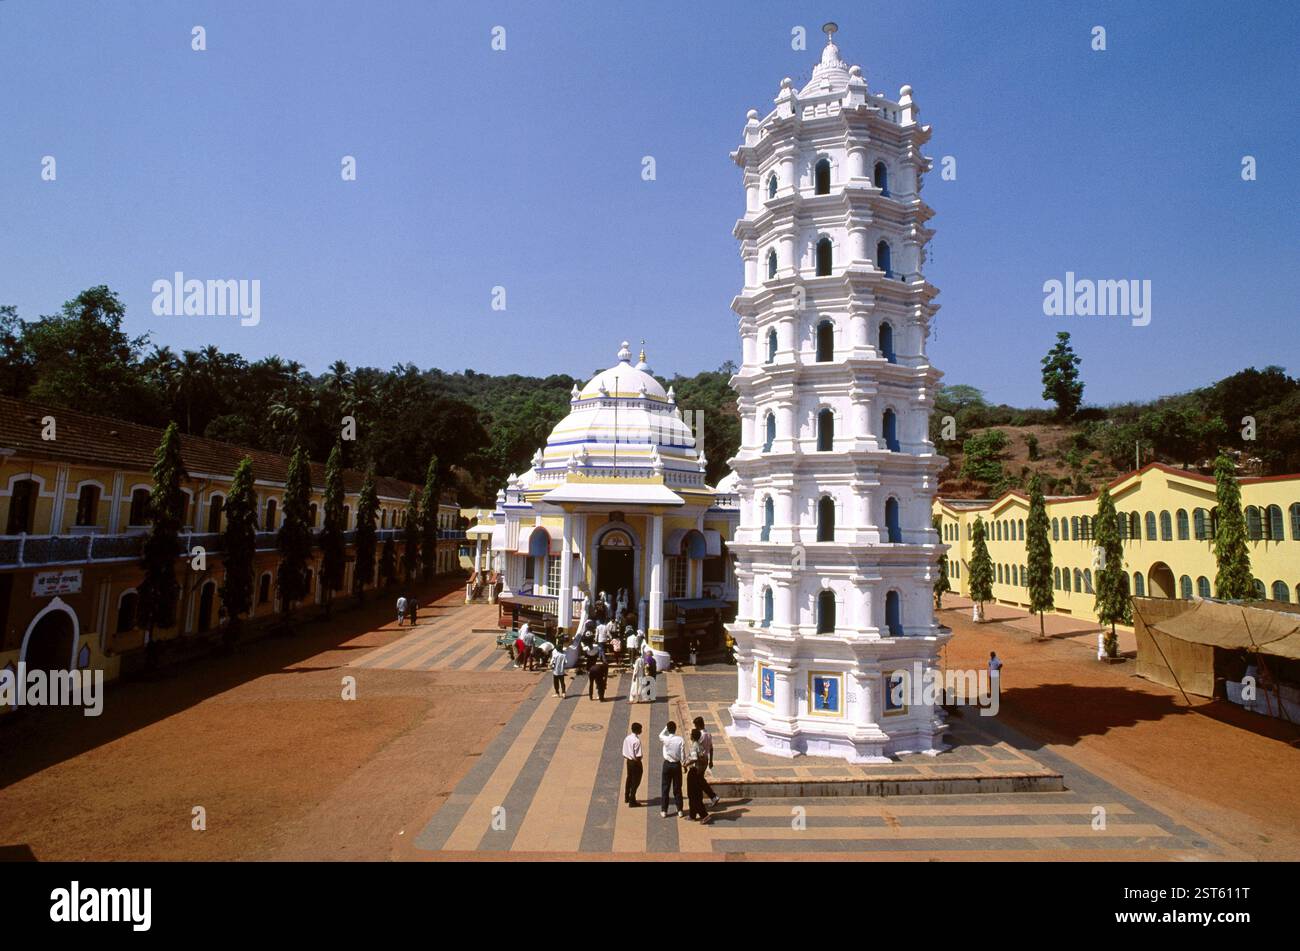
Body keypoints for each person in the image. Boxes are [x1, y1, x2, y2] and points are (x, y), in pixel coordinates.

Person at [658, 721, 685, 818]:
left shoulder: (665, 739)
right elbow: (682, 754)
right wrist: (684, 764)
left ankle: (664, 810)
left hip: (667, 765)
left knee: (665, 788)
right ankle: (680, 810)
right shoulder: (680, 740)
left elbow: (660, 734)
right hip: (677, 765)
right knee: (677, 788)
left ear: (668, 730)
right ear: (675, 729)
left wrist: (666, 727)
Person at [692, 716, 720, 807]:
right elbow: (711, 748)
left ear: (698, 725)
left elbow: (697, 747)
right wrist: (711, 760)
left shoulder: (701, 736)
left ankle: (712, 796)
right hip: (706, 759)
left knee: (699, 780)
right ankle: (710, 797)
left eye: (696, 725)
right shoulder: (708, 734)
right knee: (700, 780)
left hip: (700, 760)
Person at [685, 728, 711, 823]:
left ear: (692, 736)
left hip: (694, 772)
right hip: (699, 772)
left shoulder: (694, 746)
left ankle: (704, 815)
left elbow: (694, 758)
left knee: (692, 795)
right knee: (696, 794)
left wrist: (686, 764)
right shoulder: (700, 746)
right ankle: (692, 815)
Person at [623, 723, 644, 806]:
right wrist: (639, 764)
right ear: (638, 730)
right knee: (636, 781)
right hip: (635, 763)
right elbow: (638, 755)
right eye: (640, 729)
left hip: (628, 761)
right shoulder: (637, 741)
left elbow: (624, 752)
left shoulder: (627, 738)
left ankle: (627, 797)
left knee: (629, 778)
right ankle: (632, 800)